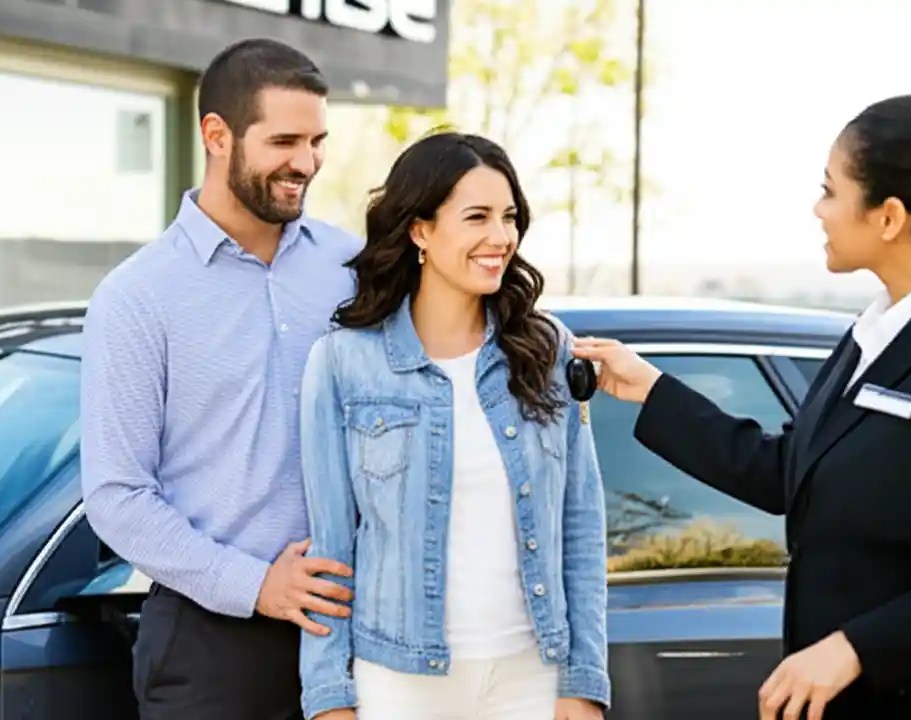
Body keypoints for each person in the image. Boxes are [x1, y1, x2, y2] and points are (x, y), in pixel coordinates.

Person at [573, 94, 911, 719]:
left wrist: (856, 649)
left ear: (889, 217)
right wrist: (651, 389)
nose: (817, 209)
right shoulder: (872, 335)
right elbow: (788, 472)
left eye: (830, 191)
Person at [80, 38, 364, 720]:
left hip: (361, 629)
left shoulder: (355, 266)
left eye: (318, 140)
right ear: (216, 135)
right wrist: (258, 585)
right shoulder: (138, 297)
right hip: (215, 647)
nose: (307, 162)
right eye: (285, 141)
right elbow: (117, 496)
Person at [297, 131, 610, 720]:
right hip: (399, 684)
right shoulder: (344, 363)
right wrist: (329, 700)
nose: (501, 237)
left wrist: (583, 682)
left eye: (510, 216)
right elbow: (331, 549)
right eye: (477, 217)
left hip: (530, 676)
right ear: (420, 230)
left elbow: (582, 524)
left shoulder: (547, 350)